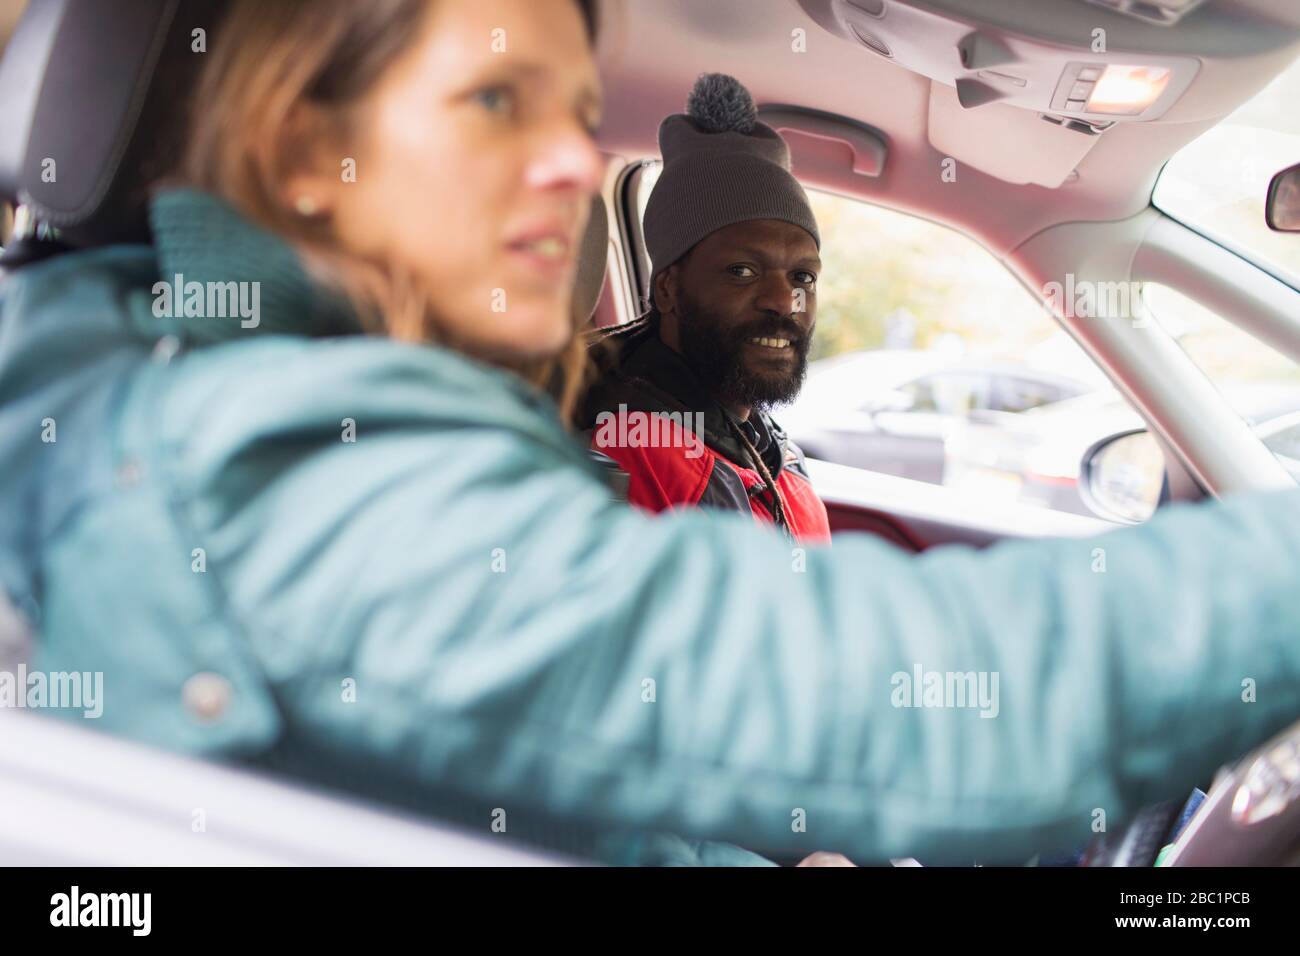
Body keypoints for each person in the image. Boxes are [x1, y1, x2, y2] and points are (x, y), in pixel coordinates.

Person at [2, 0, 1300, 867]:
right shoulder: (275, 471)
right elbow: (891, 699)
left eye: (571, 114)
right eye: (495, 104)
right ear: (298, 154)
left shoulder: (126, 355)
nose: (570, 161)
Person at [580, 74, 829, 543]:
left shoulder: (756, 440)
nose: (784, 301)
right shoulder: (622, 456)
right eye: (741, 271)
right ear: (669, 288)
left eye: (803, 277)